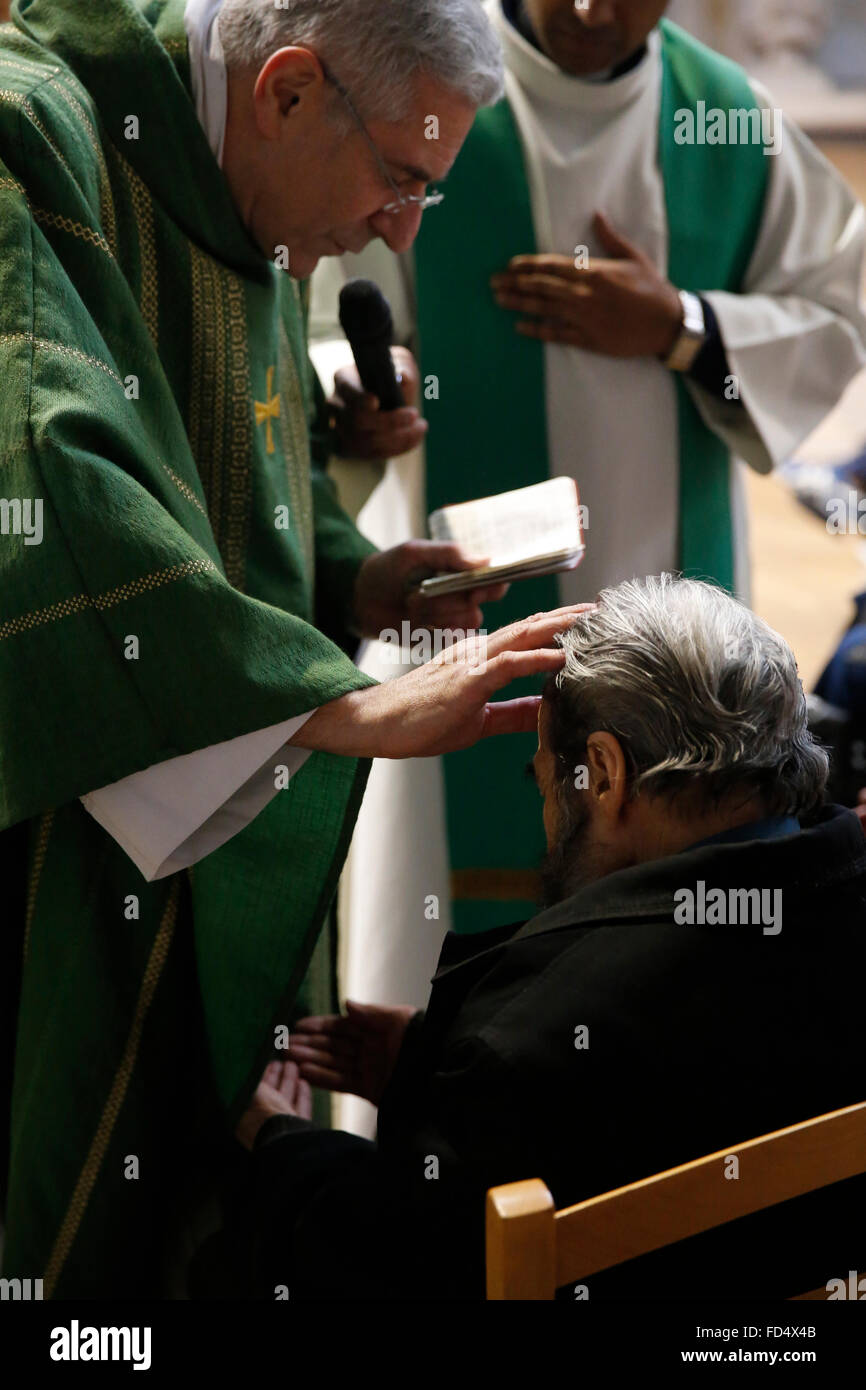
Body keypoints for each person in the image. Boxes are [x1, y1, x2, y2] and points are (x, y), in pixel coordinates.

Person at [0, 0, 576, 1298]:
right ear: (288, 91)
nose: (401, 229)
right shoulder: (35, 132)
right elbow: (45, 482)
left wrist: (352, 574)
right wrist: (339, 707)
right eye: (403, 179)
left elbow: (233, 466)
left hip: (219, 809)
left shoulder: (256, 178)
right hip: (68, 845)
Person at [310, 0, 866, 1069]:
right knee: (421, 957)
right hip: (449, 627)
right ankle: (422, 1199)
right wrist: (358, 399)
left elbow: (837, 325)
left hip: (669, 624)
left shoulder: (728, 118)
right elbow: (324, 306)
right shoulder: (420, 88)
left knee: (662, 1035)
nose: (585, 9)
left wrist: (682, 329)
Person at [206, 576, 866, 1301]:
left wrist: (284, 1144)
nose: (549, 812)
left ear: (606, 774)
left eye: (547, 780)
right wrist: (433, 1078)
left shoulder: (531, 1045)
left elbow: (376, 1276)